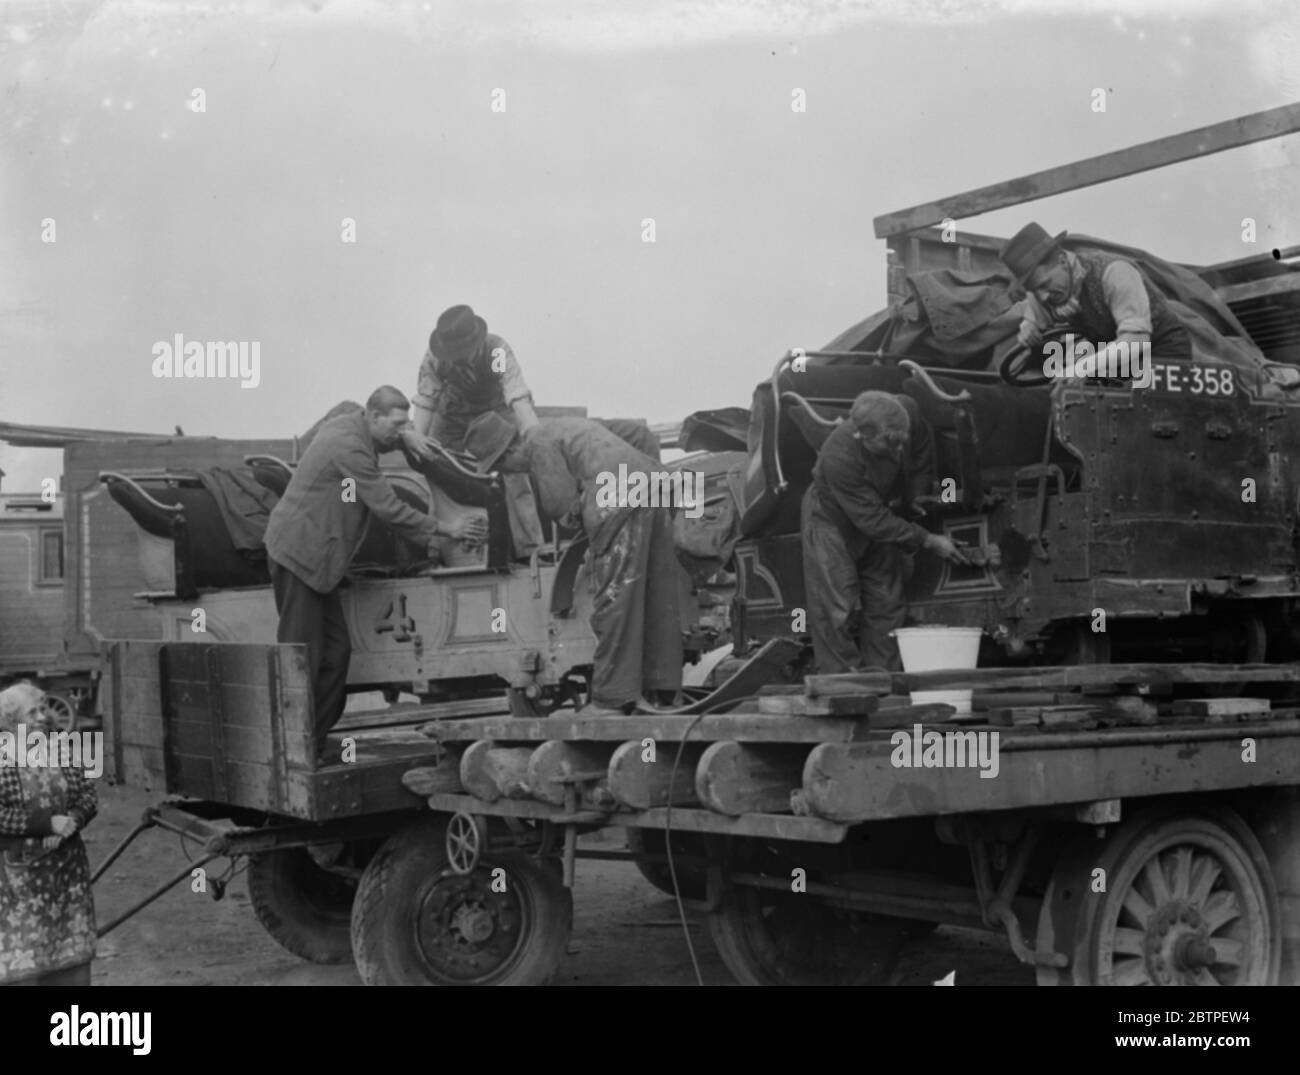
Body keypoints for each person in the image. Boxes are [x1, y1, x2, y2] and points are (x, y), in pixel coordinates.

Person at [264, 386, 486, 759]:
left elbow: (371, 424)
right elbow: (388, 508)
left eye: (405, 425)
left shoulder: (353, 420)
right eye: (396, 426)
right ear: (373, 416)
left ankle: (311, 741)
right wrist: (449, 529)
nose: (399, 433)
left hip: (318, 562)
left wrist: (407, 434)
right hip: (299, 555)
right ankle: (293, 747)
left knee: (335, 654)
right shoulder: (350, 448)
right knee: (302, 657)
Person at [464, 412, 682, 714]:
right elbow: (633, 436)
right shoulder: (560, 427)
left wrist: (579, 523)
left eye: (502, 466)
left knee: (615, 599)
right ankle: (663, 691)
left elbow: (561, 506)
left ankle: (612, 700)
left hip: (618, 497)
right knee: (657, 597)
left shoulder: (537, 446)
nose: (509, 472)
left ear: (509, 451)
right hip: (658, 487)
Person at [802, 391, 970, 674]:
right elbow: (871, 521)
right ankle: (843, 684)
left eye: (902, 439)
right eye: (891, 443)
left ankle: (884, 678)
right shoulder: (838, 455)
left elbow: (920, 455)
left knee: (887, 603)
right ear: (862, 436)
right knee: (838, 608)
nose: (899, 450)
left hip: (878, 511)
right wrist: (927, 539)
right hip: (832, 521)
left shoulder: (905, 415)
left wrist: (915, 495)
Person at [401, 304, 546, 557]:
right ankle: (436, 550)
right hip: (452, 414)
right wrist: (417, 440)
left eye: (464, 352)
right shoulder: (435, 359)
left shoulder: (496, 352)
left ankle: (530, 549)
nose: (459, 358)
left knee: (515, 472)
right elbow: (426, 401)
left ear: (476, 341)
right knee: (434, 466)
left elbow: (516, 396)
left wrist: (536, 438)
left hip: (494, 410)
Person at [0, 682, 98, 986]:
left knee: (72, 962)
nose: (42, 717)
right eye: (33, 712)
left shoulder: (60, 748)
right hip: (19, 882)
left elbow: (88, 795)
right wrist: (47, 823)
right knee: (25, 965)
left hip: (68, 876)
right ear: (11, 721)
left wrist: (72, 820)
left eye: (43, 709)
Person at [1001, 221, 1192, 371]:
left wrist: (1082, 368)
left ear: (1062, 261)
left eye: (1044, 285)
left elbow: (1136, 341)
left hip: (1161, 350)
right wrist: (1028, 327)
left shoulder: (1115, 273)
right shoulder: (1044, 291)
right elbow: (1033, 314)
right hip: (1115, 356)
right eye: (1035, 290)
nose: (1043, 297)